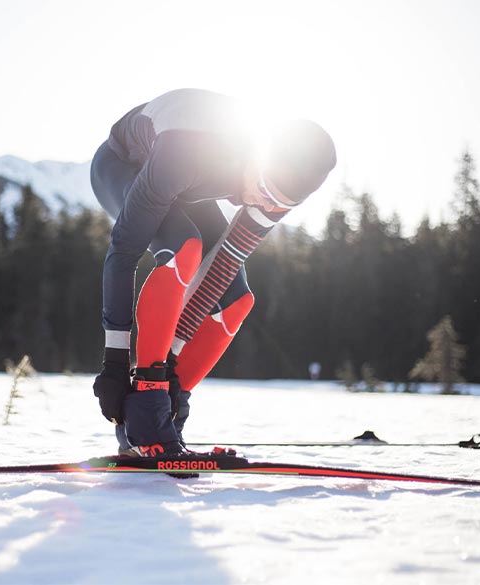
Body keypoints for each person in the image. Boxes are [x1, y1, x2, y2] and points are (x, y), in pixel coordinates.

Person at [90, 88, 336, 457]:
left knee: (237, 300)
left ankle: (162, 419)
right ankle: (146, 413)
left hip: (187, 188)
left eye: (281, 204)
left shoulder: (278, 189)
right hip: (124, 164)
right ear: (259, 156)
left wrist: (171, 363)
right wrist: (115, 362)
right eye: (266, 190)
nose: (264, 204)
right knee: (184, 248)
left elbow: (221, 267)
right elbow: (124, 252)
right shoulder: (189, 150)